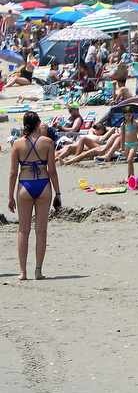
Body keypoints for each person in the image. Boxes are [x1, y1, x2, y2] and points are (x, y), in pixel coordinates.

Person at [9, 111, 59, 281]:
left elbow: (13, 173)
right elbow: (52, 171)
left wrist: (10, 196)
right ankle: (38, 270)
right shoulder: (47, 142)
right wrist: (58, 193)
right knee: (41, 230)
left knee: (23, 230)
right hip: (44, 185)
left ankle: (22, 272)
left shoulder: (17, 143)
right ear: (38, 124)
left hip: (25, 185)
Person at [118, 105, 138, 183]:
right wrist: (122, 146)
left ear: (133, 114)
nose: (128, 117)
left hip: (134, 143)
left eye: (129, 115)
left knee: (130, 159)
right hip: (127, 144)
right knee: (129, 161)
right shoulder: (123, 125)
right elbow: (122, 136)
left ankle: (130, 175)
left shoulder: (135, 123)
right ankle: (131, 175)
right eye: (126, 116)